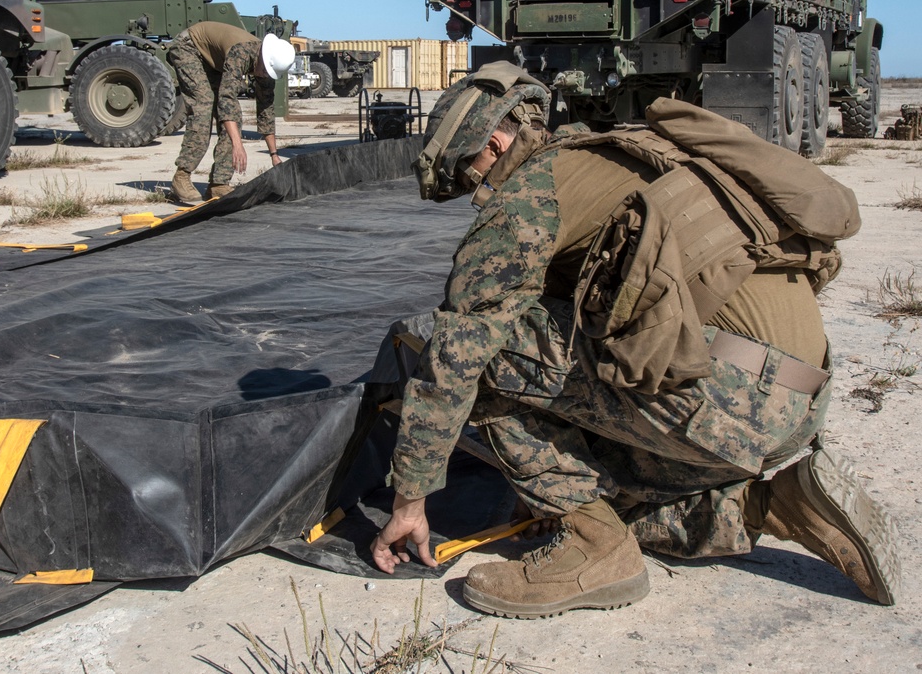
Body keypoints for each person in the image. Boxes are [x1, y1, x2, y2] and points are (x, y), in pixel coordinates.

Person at [370, 61, 900, 618]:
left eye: (467, 173)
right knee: (602, 487)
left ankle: (591, 549)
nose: (472, 193)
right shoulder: (620, 149)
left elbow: (456, 359)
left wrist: (410, 497)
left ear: (498, 144)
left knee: (479, 354)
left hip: (738, 401)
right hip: (800, 400)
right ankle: (767, 505)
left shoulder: (526, 201)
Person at [166, 21, 296, 203]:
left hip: (214, 61)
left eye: (269, 74)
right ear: (263, 60)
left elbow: (266, 110)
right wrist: (237, 144)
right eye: (266, 72)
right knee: (203, 104)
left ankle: (218, 183)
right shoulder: (241, 53)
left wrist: (274, 155)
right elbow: (227, 100)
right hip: (189, 47)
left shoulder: (265, 67)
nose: (265, 76)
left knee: (234, 118)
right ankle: (181, 177)